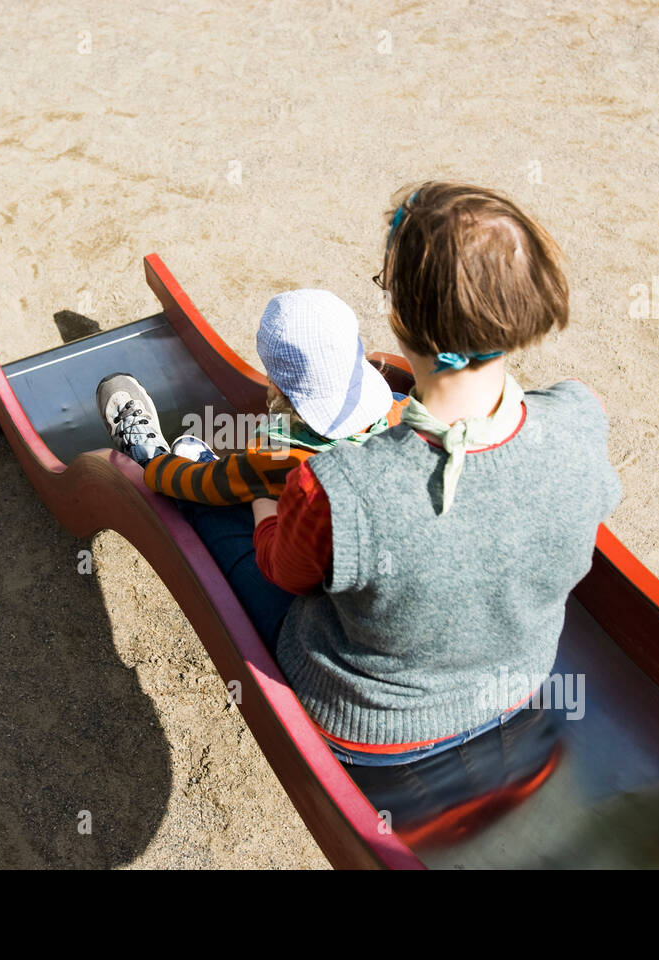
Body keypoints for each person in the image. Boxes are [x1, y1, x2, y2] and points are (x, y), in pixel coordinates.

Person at [251, 182, 622, 775]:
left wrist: (265, 508)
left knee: (231, 546)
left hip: (369, 727)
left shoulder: (335, 487)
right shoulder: (582, 416)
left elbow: (287, 574)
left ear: (398, 318)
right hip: (520, 685)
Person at [96, 289, 405, 645]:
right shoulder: (404, 416)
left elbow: (202, 484)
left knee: (202, 495)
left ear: (276, 386)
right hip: (379, 606)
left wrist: (161, 473)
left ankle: (149, 456)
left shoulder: (279, 458)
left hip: (318, 619)